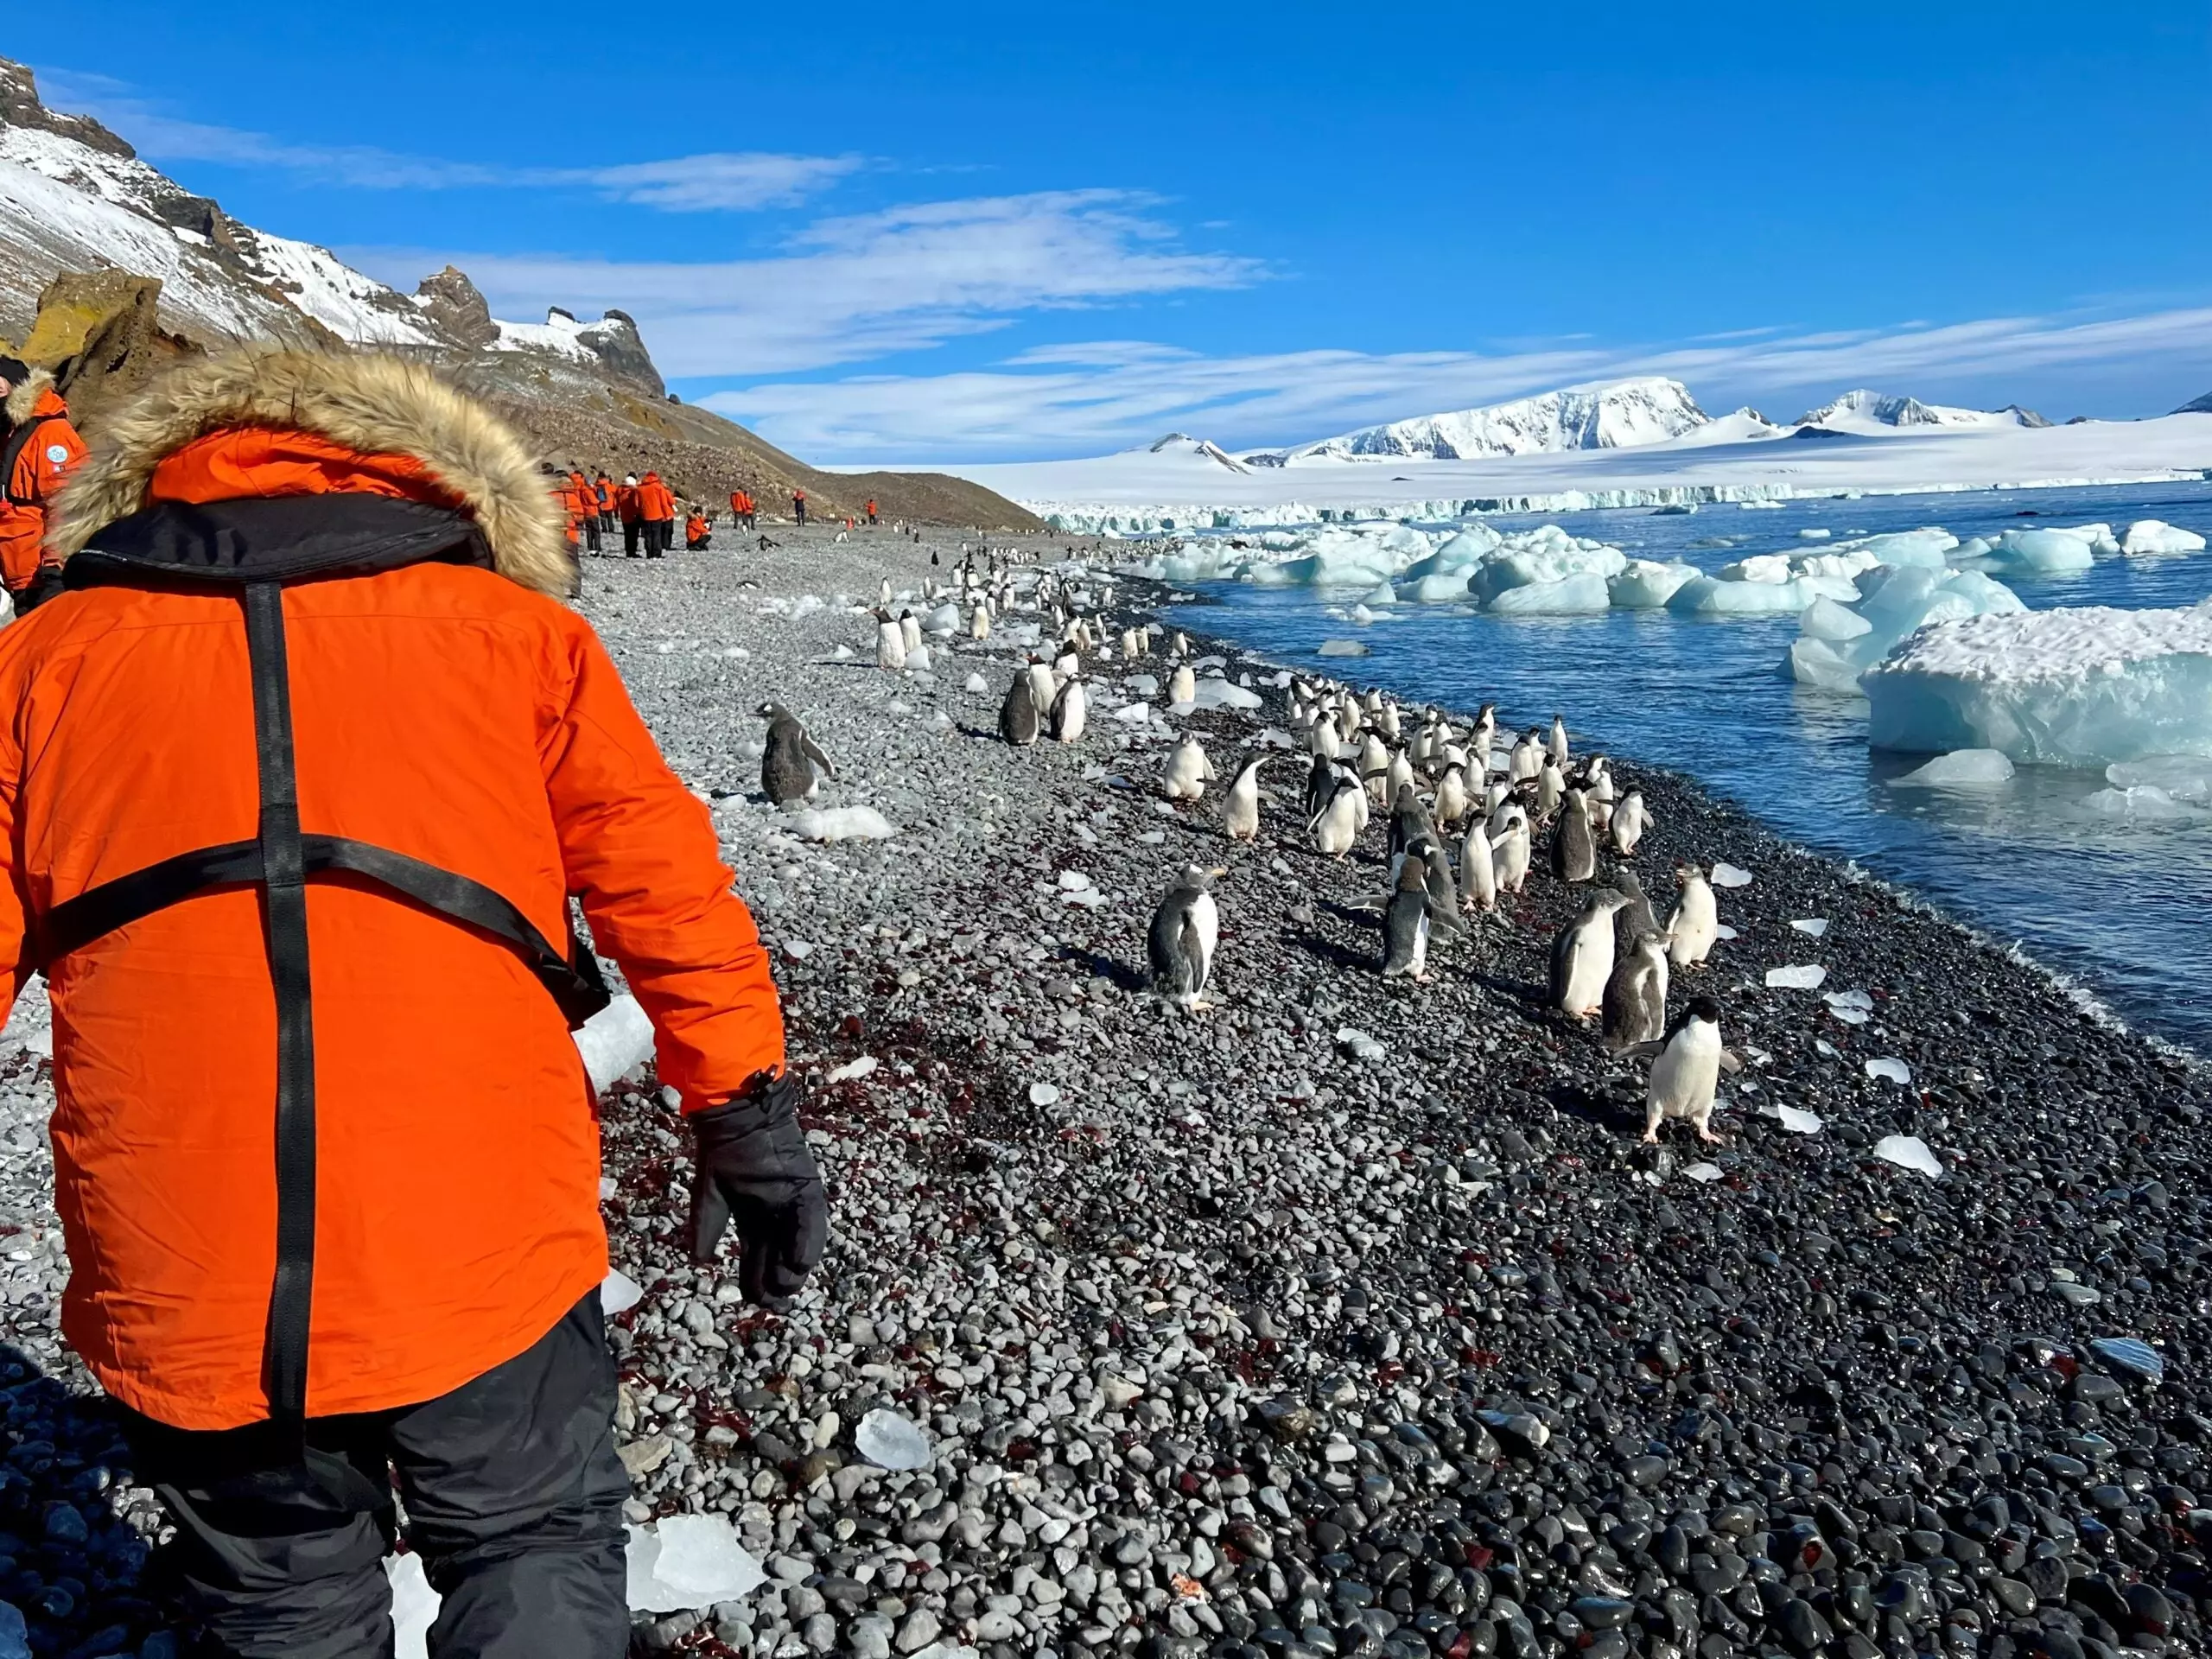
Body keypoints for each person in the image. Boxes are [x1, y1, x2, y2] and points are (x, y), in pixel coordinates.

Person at [0, 348, 825, 1656]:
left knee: (278, 1596)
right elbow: (666, 891)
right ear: (422, 474)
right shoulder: (517, 636)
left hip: (187, 1265)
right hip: (480, 1239)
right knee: (533, 1542)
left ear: (146, 482)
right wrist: (743, 1112)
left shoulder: (40, 663)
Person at [0, 357, 88, 614]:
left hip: (41, 580)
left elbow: (70, 505)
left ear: (19, 390)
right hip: (19, 576)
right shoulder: (9, 433)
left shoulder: (52, 435)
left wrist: (55, 570)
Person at [637, 469, 676, 558]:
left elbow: (639, 503)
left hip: (645, 515)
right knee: (657, 535)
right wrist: (667, 514)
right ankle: (657, 554)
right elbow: (664, 503)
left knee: (648, 535)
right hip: (657, 515)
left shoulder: (640, 488)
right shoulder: (658, 487)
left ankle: (649, 553)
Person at [565, 466, 602, 556]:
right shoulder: (586, 490)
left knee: (589, 531)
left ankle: (590, 546)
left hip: (584, 511)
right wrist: (599, 500)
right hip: (592, 512)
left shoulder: (575, 487)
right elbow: (593, 501)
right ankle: (596, 547)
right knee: (596, 531)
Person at [616, 472, 642, 556]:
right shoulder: (633, 491)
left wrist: (616, 512)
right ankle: (632, 551)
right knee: (634, 535)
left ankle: (628, 551)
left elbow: (616, 502)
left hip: (624, 515)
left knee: (627, 534)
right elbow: (636, 503)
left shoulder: (619, 489)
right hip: (633, 515)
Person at [594, 469, 614, 533]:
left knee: (603, 519)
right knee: (610, 519)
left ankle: (604, 529)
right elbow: (615, 491)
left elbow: (594, 494)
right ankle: (611, 529)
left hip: (600, 505)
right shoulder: (609, 485)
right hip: (609, 505)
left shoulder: (596, 485)